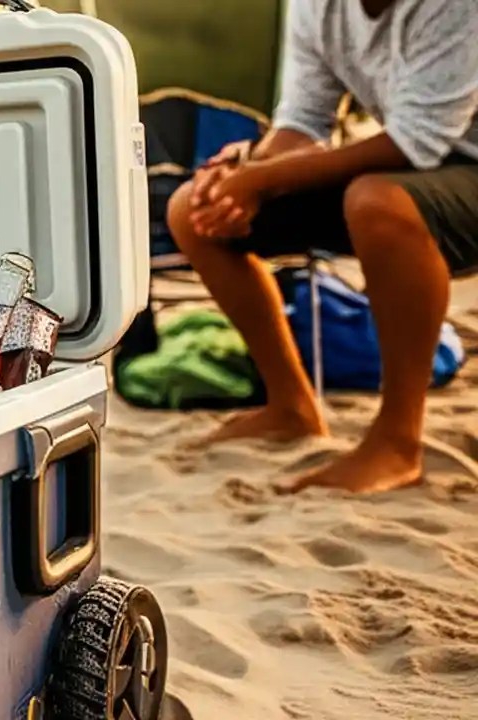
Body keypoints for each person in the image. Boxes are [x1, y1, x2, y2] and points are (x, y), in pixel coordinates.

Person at [166, 0, 478, 494]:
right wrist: (243, 173)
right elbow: (302, 124)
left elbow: (416, 142)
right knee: (192, 210)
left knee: (377, 202)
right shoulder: (315, 5)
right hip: (415, 171)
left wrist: (263, 178)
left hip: (452, 170)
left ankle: (398, 440)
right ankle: (290, 406)